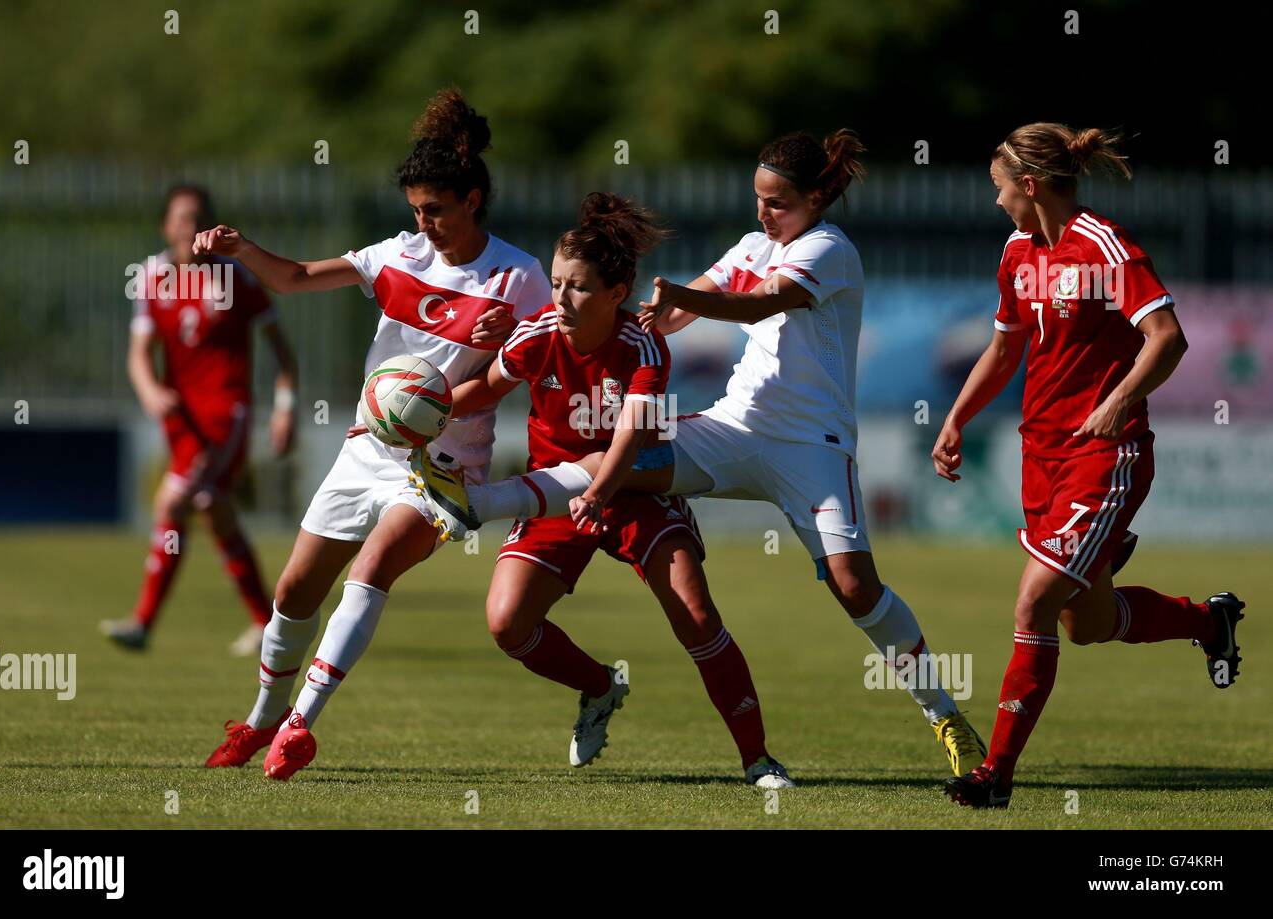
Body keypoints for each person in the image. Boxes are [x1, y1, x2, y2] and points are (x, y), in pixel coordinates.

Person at [412, 128, 989, 777]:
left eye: (778, 203)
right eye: (759, 199)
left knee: (856, 586)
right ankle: (476, 503)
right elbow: (676, 313)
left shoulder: (830, 249)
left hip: (812, 446)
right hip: (732, 427)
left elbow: (758, 303)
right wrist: (631, 307)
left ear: (817, 197)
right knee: (629, 456)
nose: (764, 213)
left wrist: (681, 299)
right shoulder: (754, 245)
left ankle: (944, 712)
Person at [196, 89, 551, 780]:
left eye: (437, 210)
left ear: (473, 199)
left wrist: (510, 336)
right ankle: (263, 715)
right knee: (295, 590)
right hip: (367, 446)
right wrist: (242, 249)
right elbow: (296, 279)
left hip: (443, 463)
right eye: (416, 210)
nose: (425, 223)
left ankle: (302, 724)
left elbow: (547, 354)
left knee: (374, 565)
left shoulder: (519, 275)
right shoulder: (398, 255)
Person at [427, 192, 792, 787]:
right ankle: (600, 687)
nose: (561, 298)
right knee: (506, 624)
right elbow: (485, 389)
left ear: (616, 293)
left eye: (577, 286)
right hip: (554, 493)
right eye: (556, 282)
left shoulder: (643, 344)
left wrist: (600, 491)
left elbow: (632, 433)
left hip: (634, 489)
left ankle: (758, 760)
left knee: (696, 615)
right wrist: (423, 414)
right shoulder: (536, 334)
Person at [932, 123, 1245, 808]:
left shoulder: (1106, 246)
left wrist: (1120, 400)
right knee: (1087, 623)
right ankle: (1208, 622)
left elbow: (1168, 339)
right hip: (1040, 457)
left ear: (1032, 185)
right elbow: (1005, 350)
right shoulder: (1018, 250)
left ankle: (995, 777)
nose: (997, 202)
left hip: (1107, 454)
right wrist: (956, 416)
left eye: (1000, 188)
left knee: (1033, 602)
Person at [101, 184, 297, 656]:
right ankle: (267, 623)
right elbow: (138, 355)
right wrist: (149, 390)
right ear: (166, 226)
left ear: (210, 226)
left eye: (198, 218)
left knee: (171, 503)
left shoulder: (239, 278)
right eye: (180, 218)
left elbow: (283, 355)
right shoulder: (151, 276)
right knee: (214, 509)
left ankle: (143, 623)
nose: (189, 227)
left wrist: (286, 409)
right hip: (182, 421)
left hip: (227, 415)